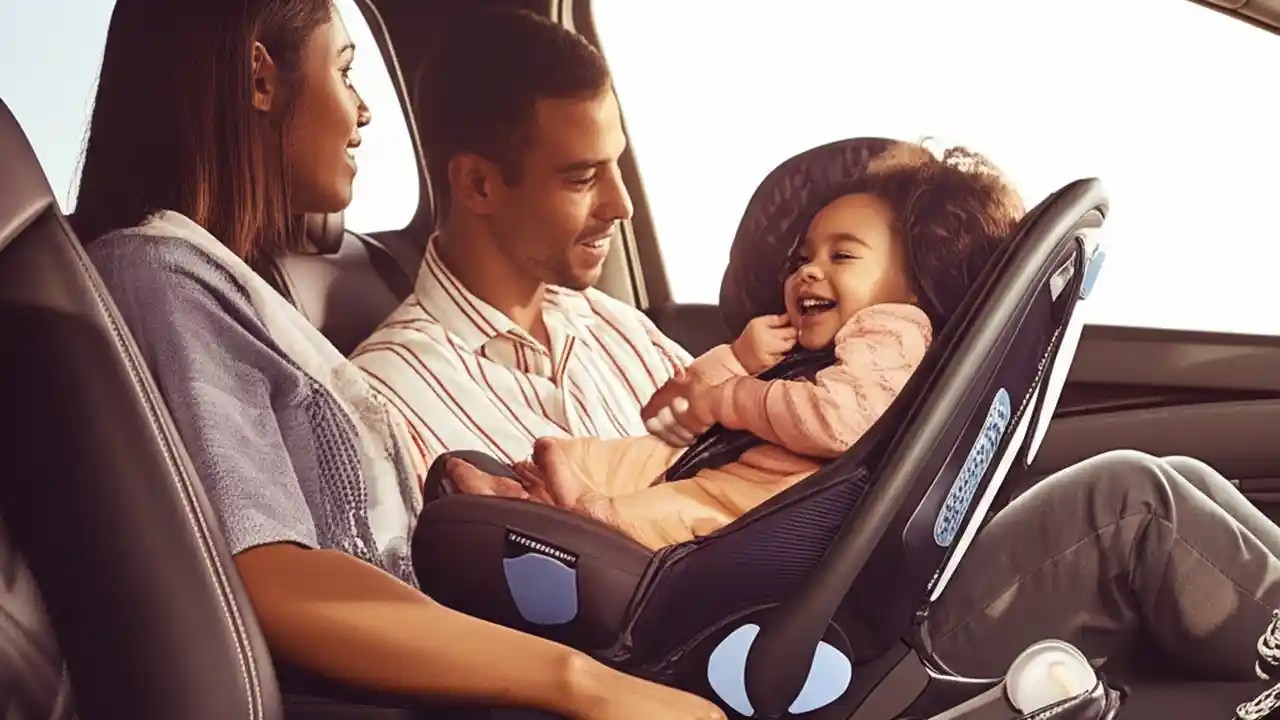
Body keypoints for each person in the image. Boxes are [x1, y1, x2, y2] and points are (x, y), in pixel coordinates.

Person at [72, 1, 723, 718]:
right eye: (345, 72)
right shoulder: (156, 270)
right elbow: (265, 570)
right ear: (261, 80)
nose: (364, 111)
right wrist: (588, 686)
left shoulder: (228, 290)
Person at [441, 143, 1024, 550]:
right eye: (802, 259)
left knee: (665, 512)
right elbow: (663, 421)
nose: (808, 273)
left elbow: (839, 420)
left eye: (841, 257)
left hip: (759, 512)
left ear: (917, 281)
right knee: (627, 454)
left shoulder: (895, 333)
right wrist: (734, 363)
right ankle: (524, 491)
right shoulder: (793, 345)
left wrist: (736, 397)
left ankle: (562, 519)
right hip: (718, 470)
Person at [350, 10, 689, 471]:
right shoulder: (387, 402)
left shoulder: (625, 334)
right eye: (583, 178)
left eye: (616, 166)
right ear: (478, 185)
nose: (621, 205)